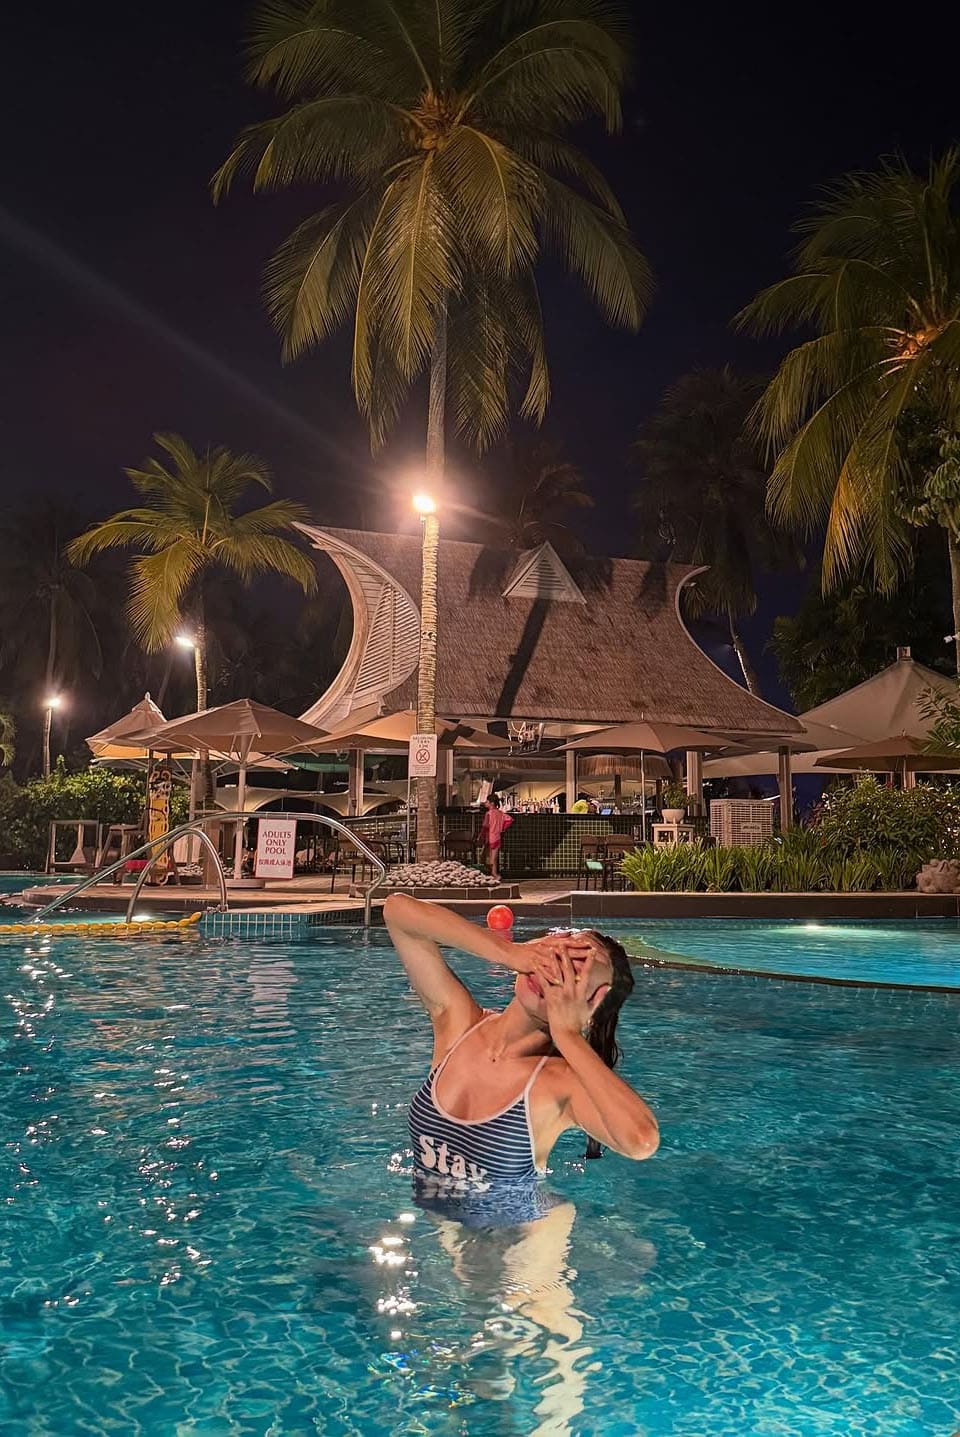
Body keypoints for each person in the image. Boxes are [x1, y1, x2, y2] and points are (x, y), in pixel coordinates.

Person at [384, 894, 659, 1225]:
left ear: (591, 1009)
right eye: (555, 952)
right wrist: (509, 952)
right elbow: (398, 911)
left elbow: (641, 1141)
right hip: (441, 1231)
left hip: (521, 1250)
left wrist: (569, 1035)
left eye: (575, 971)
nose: (551, 970)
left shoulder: (560, 1082)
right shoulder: (458, 1025)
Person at [479, 793, 512, 879]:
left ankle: (493, 874)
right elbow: (509, 820)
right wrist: (502, 828)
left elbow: (485, 826)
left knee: (484, 857)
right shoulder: (501, 813)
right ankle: (493, 873)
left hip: (489, 836)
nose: (485, 803)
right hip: (497, 836)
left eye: (487, 801)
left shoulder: (488, 814)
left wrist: (480, 836)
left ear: (492, 803)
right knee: (493, 857)